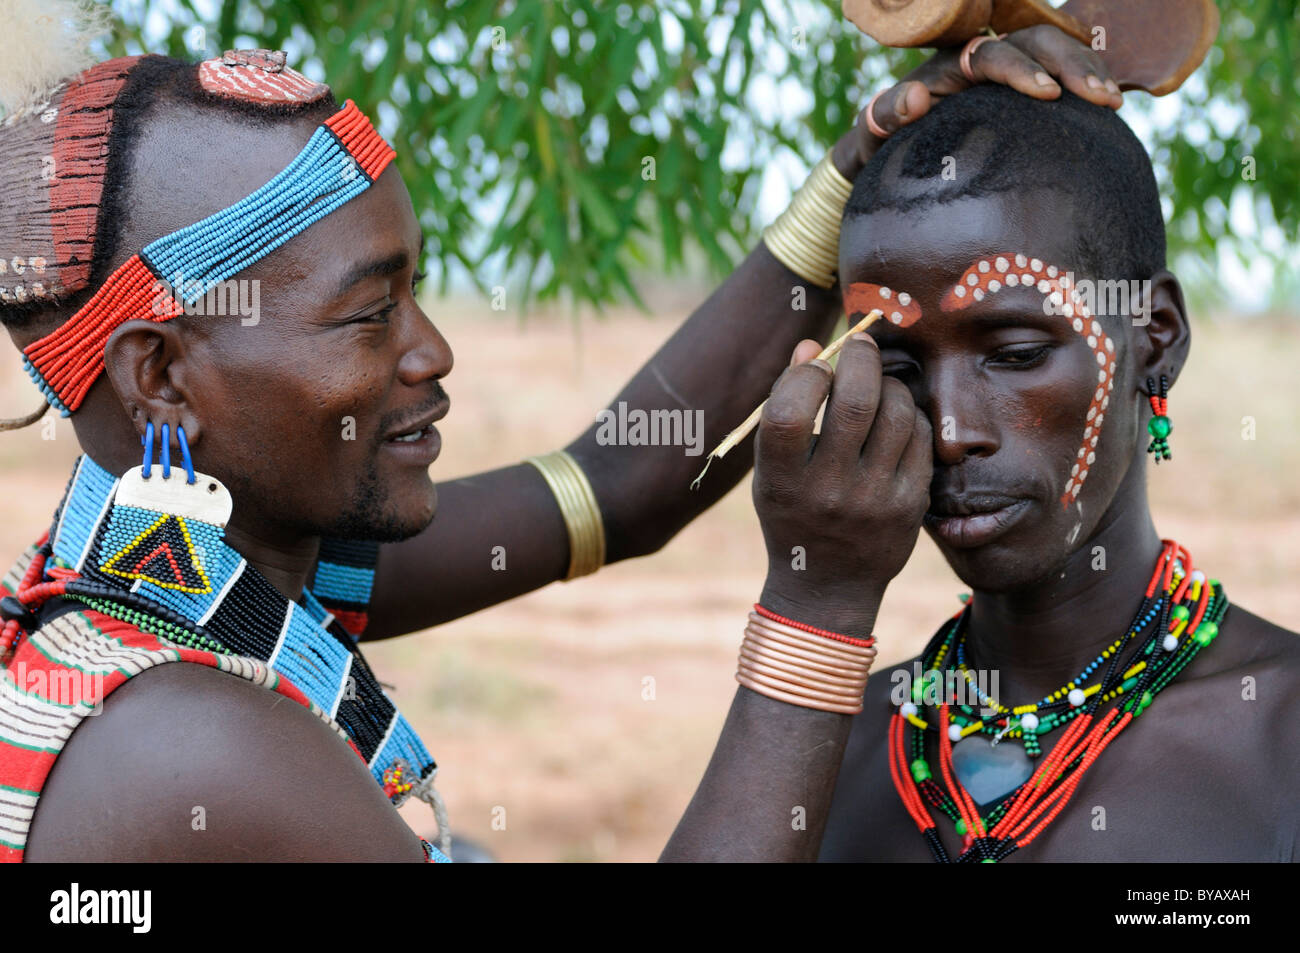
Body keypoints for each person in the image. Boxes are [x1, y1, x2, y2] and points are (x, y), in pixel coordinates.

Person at [0, 16, 1122, 861]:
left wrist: (853, 172)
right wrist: (820, 597)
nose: (431, 353)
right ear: (159, 375)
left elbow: (612, 484)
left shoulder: (184, 571)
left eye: (418, 291)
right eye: (368, 312)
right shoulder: (188, 742)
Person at [664, 76, 1300, 863]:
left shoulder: (1277, 734)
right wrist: (818, 601)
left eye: (1016, 354)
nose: (954, 429)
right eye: (896, 365)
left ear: (1156, 336)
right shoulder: (827, 742)